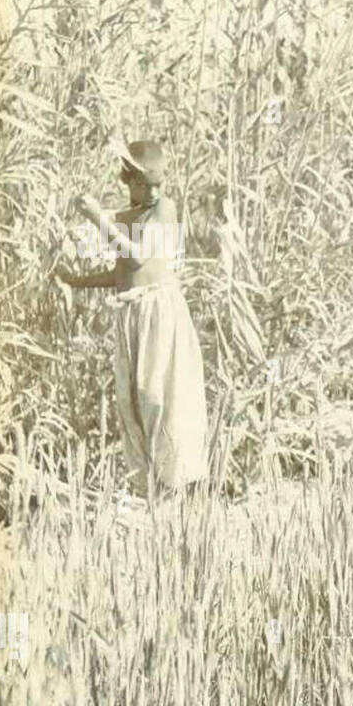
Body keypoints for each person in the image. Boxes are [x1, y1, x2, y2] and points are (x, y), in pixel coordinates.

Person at [55, 140, 207, 496]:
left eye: (156, 184)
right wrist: (75, 280)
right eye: (142, 184)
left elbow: (137, 257)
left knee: (158, 395)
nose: (151, 191)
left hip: (158, 311)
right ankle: (148, 486)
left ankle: (176, 483)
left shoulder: (163, 210)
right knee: (132, 399)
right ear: (127, 181)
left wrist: (97, 218)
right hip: (130, 312)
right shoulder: (127, 217)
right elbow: (122, 273)